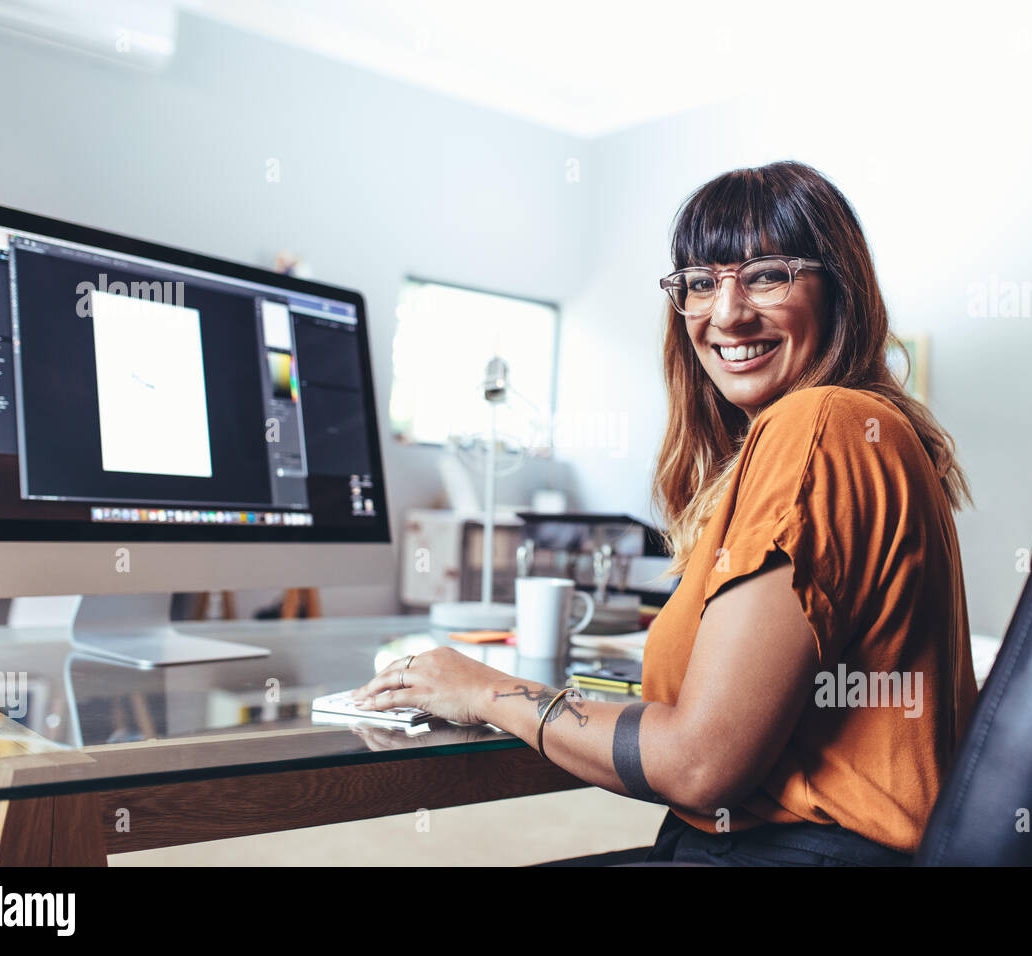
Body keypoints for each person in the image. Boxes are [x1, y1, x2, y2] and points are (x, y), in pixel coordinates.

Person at [353, 160, 979, 866]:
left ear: (840, 289)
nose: (728, 312)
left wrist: (487, 690)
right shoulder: (858, 429)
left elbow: (699, 765)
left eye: (767, 274)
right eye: (702, 283)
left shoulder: (820, 422)